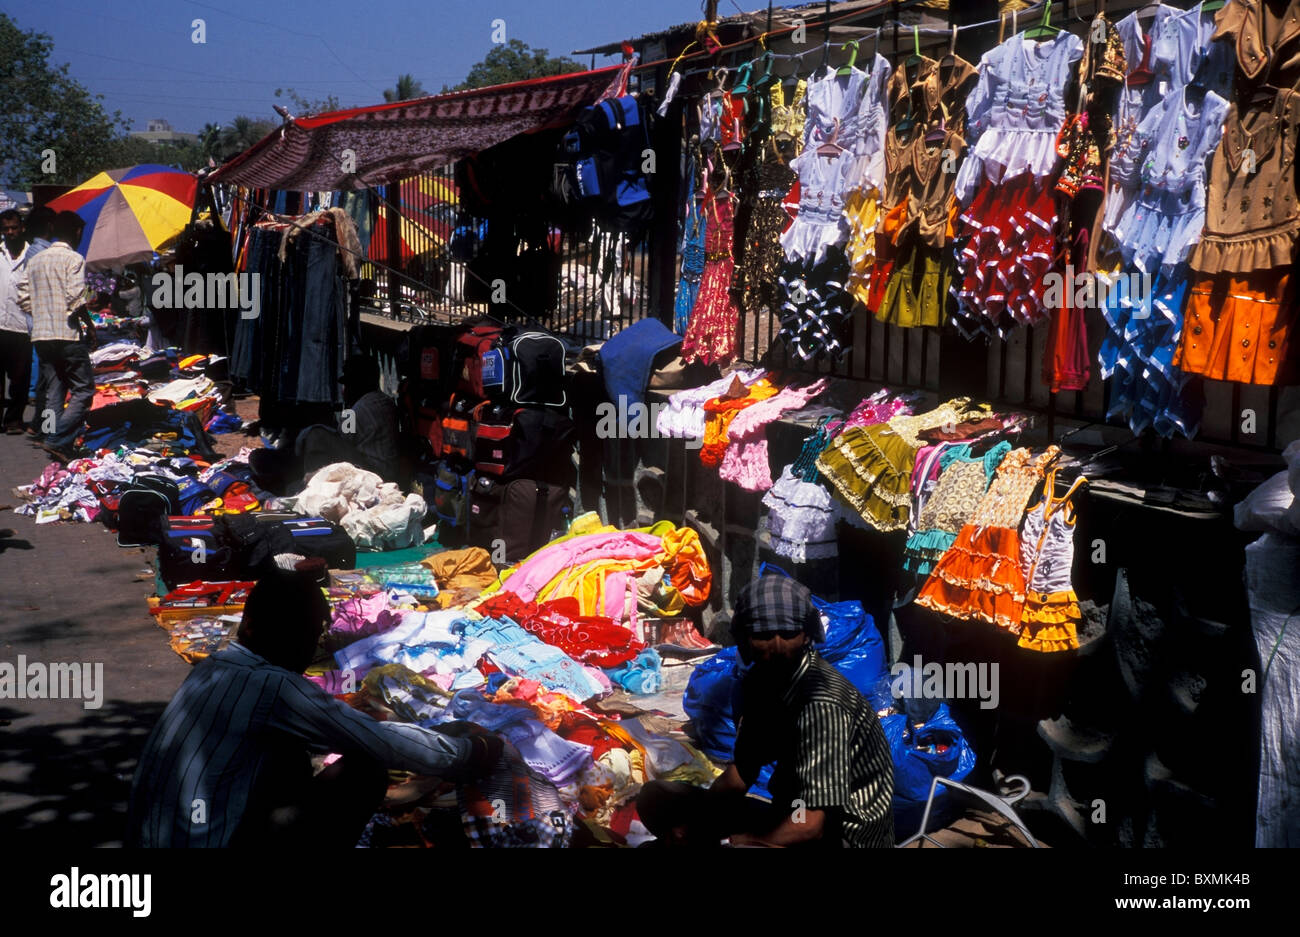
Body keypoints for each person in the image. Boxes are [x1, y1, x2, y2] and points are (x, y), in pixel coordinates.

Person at [127, 569, 505, 848]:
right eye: (311, 637)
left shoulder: (212, 668)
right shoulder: (274, 686)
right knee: (365, 770)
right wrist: (471, 751)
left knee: (292, 756)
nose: (312, 651)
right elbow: (379, 741)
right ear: (294, 636)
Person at [637, 573, 896, 847]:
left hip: (838, 834)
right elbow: (742, 774)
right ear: (745, 638)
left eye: (788, 634)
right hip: (793, 806)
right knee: (656, 798)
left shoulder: (822, 705)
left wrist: (747, 840)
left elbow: (810, 824)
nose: (777, 647)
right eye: (762, 635)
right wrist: (695, 824)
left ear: (806, 635)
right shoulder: (761, 683)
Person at [17, 210, 94, 461]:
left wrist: (41, 313)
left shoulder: (36, 259)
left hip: (41, 335)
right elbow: (75, 297)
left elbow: (23, 297)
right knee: (83, 391)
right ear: (77, 232)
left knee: (55, 390)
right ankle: (57, 438)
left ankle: (48, 435)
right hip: (66, 334)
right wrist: (87, 324)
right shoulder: (73, 259)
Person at [0, 209, 31, 433]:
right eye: (6, 229)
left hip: (22, 327)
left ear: (22, 228)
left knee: (19, 378)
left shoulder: (33, 256)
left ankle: (13, 420)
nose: (10, 233)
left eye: (14, 228)